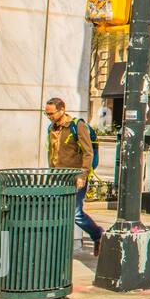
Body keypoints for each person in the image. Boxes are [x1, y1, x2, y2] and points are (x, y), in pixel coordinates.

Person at [45, 97, 103, 256]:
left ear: (62, 109)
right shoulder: (52, 128)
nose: (49, 117)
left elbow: (88, 152)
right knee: (57, 211)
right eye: (47, 114)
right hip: (58, 177)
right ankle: (59, 247)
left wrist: (83, 175)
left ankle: (98, 235)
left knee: (75, 212)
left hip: (76, 177)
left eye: (52, 113)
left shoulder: (77, 126)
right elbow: (52, 153)